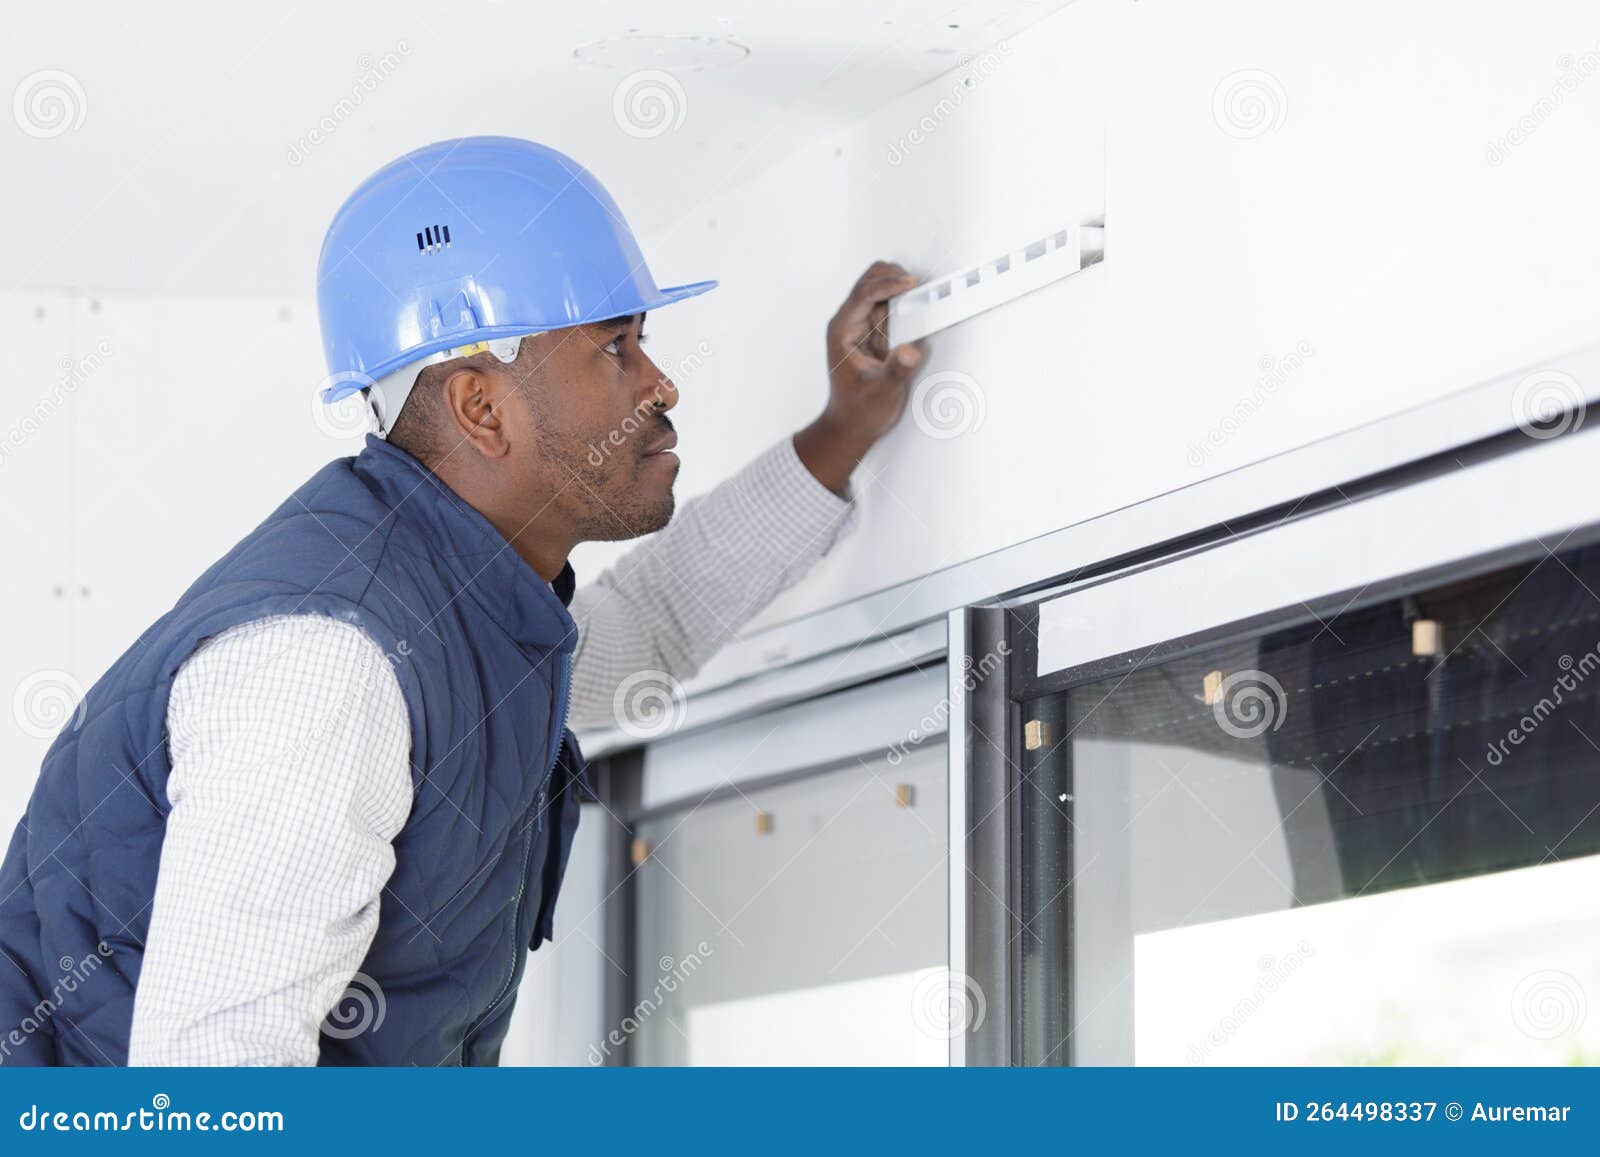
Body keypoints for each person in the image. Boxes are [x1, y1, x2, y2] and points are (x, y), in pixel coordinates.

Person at [0, 136, 923, 1066]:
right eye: (616, 346)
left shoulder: (468, 609)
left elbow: (645, 628)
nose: (661, 383)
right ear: (481, 407)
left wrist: (843, 430)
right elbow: (211, 1087)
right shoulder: (329, 663)